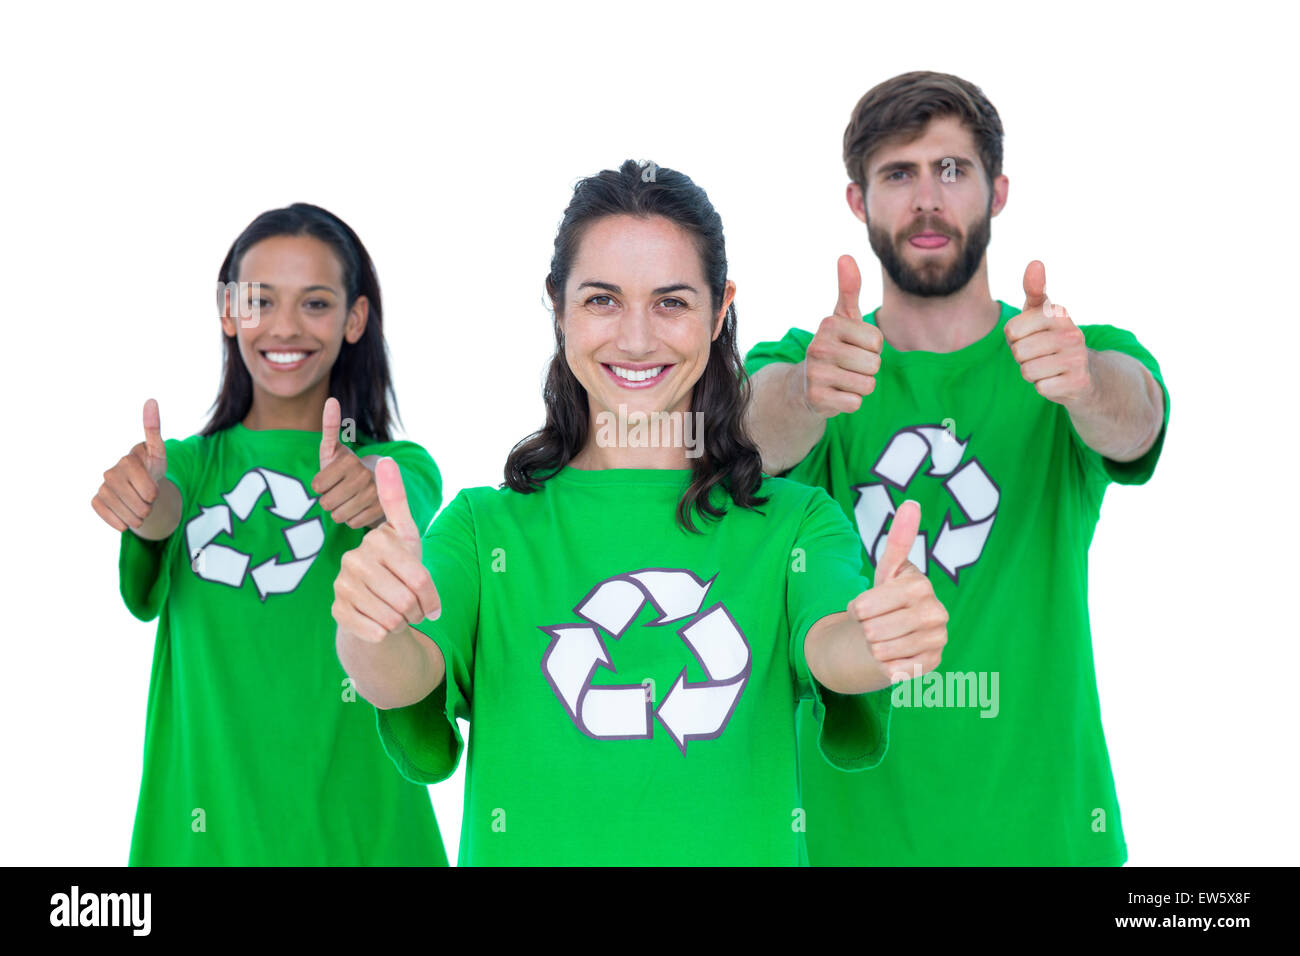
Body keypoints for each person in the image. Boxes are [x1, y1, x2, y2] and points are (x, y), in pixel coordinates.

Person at [331, 160, 950, 866]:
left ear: (720, 311)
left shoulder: (798, 525)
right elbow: (402, 672)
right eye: (601, 300)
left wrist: (884, 637)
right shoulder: (484, 530)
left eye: (671, 303)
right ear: (557, 305)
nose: (634, 339)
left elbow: (834, 648)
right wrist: (366, 625)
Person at [743, 72, 1170, 866]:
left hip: (1046, 836)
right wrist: (807, 390)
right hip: (843, 841)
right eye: (898, 175)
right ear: (858, 202)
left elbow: (1137, 414)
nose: (927, 200)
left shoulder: (1067, 358)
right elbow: (747, 430)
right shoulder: (817, 365)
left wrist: (1082, 381)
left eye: (952, 170)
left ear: (997, 191)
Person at [93, 203, 449, 865]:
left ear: (355, 319)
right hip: (204, 843)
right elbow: (160, 521)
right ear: (227, 312)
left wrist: (371, 483)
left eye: (315, 303)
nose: (285, 326)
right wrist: (144, 504)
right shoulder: (187, 467)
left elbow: (398, 498)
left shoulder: (401, 469)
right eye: (260, 301)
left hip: (368, 843)